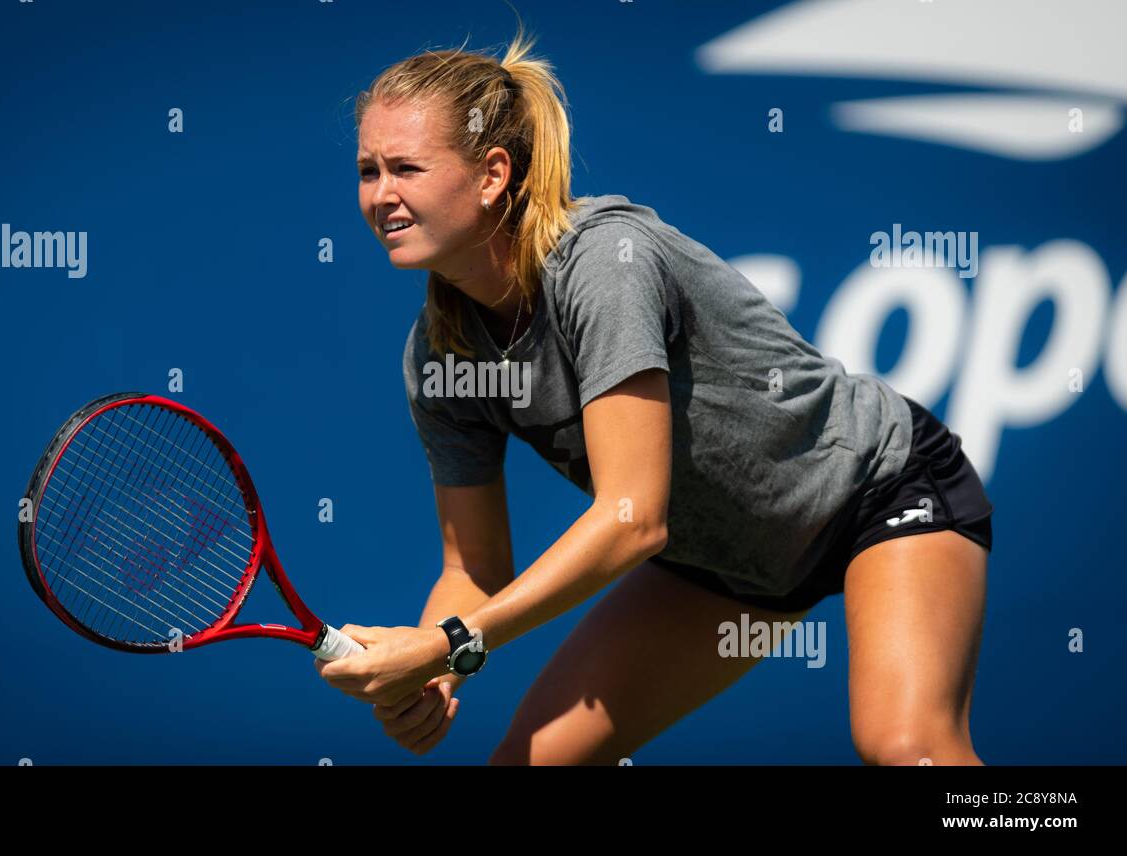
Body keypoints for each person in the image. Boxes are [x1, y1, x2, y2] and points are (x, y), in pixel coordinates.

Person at [315, 26, 994, 765]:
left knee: (907, 748)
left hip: (876, 491)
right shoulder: (437, 352)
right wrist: (436, 675)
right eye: (367, 171)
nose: (381, 196)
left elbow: (632, 521)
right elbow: (472, 568)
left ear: (491, 174)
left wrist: (444, 645)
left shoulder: (605, 264)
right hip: (727, 564)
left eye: (406, 168)